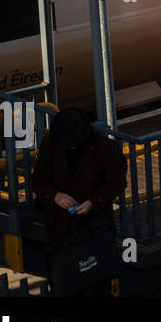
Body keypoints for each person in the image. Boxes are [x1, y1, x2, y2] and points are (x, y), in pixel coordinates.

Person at [29, 107, 127, 297]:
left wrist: (93, 202)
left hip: (94, 227)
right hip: (61, 229)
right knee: (66, 283)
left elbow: (117, 182)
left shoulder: (104, 147)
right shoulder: (50, 145)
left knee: (97, 283)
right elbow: (37, 180)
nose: (71, 147)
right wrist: (55, 196)